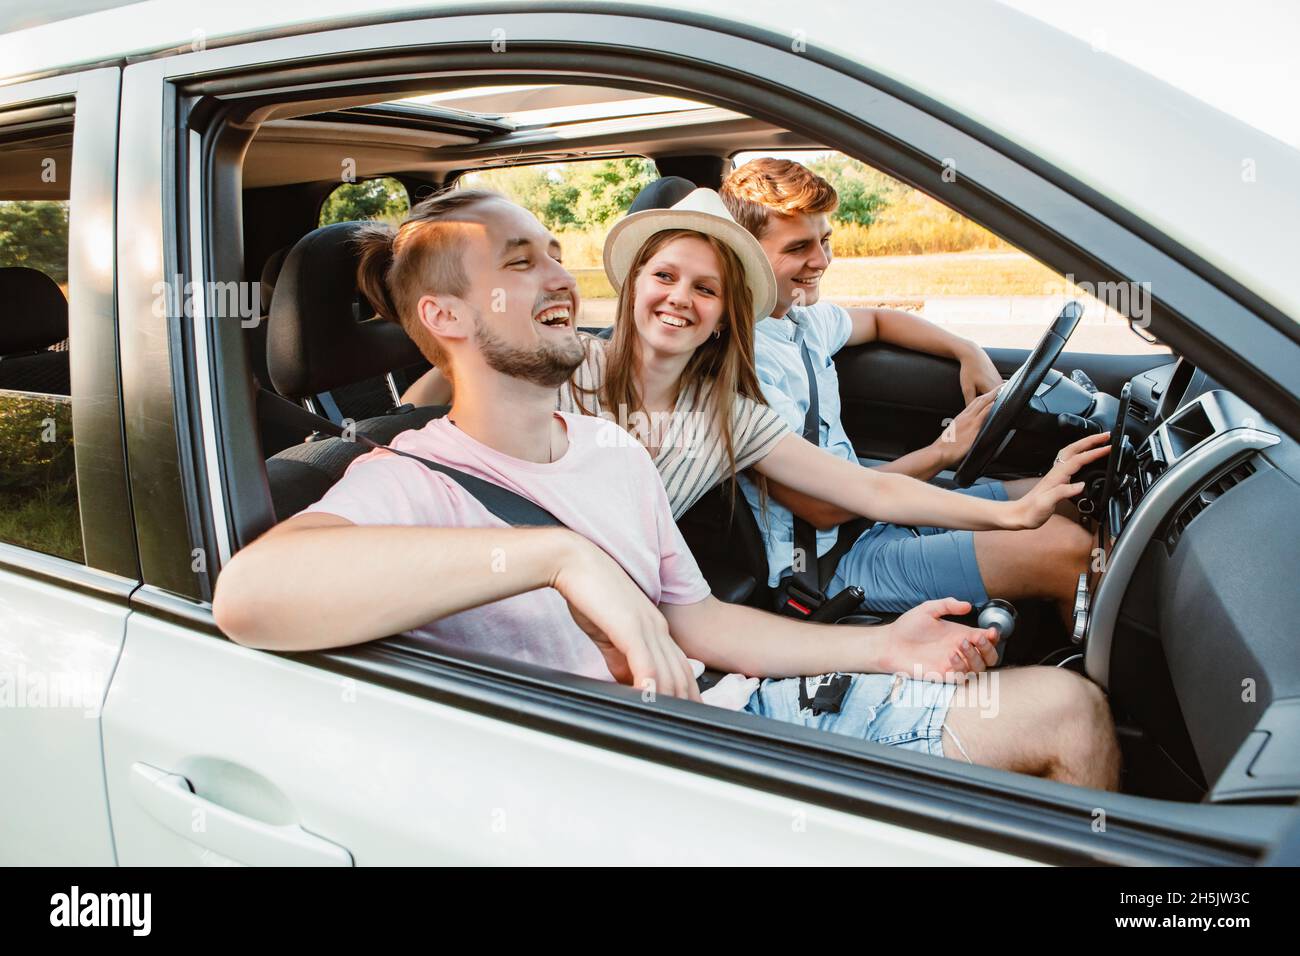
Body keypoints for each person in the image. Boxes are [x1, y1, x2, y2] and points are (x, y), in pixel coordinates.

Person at [213, 188, 1120, 788]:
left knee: (1067, 712)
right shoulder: (404, 480)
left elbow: (698, 624)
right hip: (620, 781)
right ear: (445, 318)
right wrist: (559, 556)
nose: (561, 276)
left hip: (712, 717)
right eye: (520, 261)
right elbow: (249, 599)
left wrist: (884, 646)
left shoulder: (609, 450)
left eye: (553, 252)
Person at [401, 188, 1108, 551]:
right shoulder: (565, 360)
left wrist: (1017, 512)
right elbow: (459, 378)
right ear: (634, 283)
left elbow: (869, 492)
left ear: (723, 316)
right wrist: (419, 395)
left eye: (705, 290)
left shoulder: (732, 417)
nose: (680, 299)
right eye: (665, 276)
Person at [721, 158, 1098, 621]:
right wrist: (942, 451)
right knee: (1070, 551)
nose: (820, 261)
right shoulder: (745, 361)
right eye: (799, 247)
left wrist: (966, 349)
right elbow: (821, 508)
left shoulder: (800, 318)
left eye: (825, 240)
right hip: (825, 564)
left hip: (871, 520)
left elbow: (881, 320)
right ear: (745, 255)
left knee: (1073, 501)